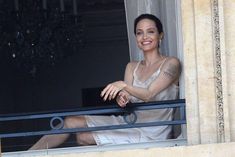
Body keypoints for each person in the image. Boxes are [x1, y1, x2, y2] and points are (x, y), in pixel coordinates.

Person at [29, 13, 181, 150]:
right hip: (130, 122)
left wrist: (123, 86)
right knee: (69, 122)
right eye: (139, 33)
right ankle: (26, 154)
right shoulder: (132, 67)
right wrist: (122, 98)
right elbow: (127, 98)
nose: (144, 37)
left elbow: (149, 94)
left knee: (83, 137)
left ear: (160, 35)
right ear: (135, 38)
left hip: (152, 132)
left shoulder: (171, 63)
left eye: (151, 31)